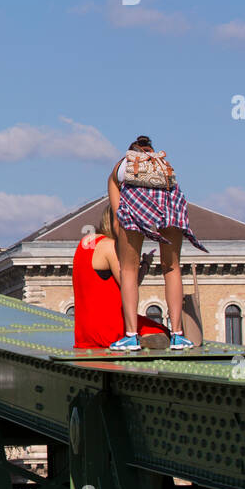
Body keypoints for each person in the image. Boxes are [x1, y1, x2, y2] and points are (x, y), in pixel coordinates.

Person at [107, 135, 207, 352]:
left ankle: (131, 336)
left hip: (135, 200)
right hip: (170, 201)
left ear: (131, 151)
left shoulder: (122, 165)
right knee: (171, 268)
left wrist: (120, 230)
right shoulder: (162, 164)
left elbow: (116, 212)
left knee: (129, 270)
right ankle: (178, 336)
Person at [73, 205, 167, 349]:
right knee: (162, 332)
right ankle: (139, 341)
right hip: (107, 329)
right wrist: (146, 265)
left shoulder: (87, 241)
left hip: (84, 333)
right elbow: (130, 286)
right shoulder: (110, 246)